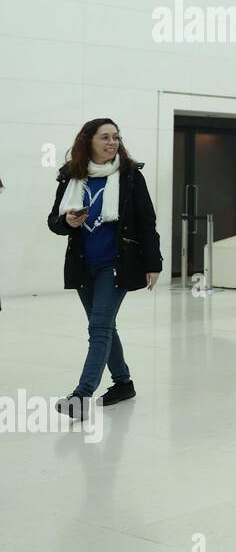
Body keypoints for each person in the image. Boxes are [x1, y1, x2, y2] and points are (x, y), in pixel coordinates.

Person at [47, 118, 162, 418]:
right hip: (84, 266)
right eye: (105, 137)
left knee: (98, 328)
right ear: (88, 141)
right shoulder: (70, 177)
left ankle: (82, 396)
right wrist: (66, 222)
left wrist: (154, 263)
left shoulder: (131, 176)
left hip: (116, 265)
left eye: (116, 137)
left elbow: (147, 222)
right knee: (106, 327)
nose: (112, 142)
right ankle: (123, 383)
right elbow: (53, 222)